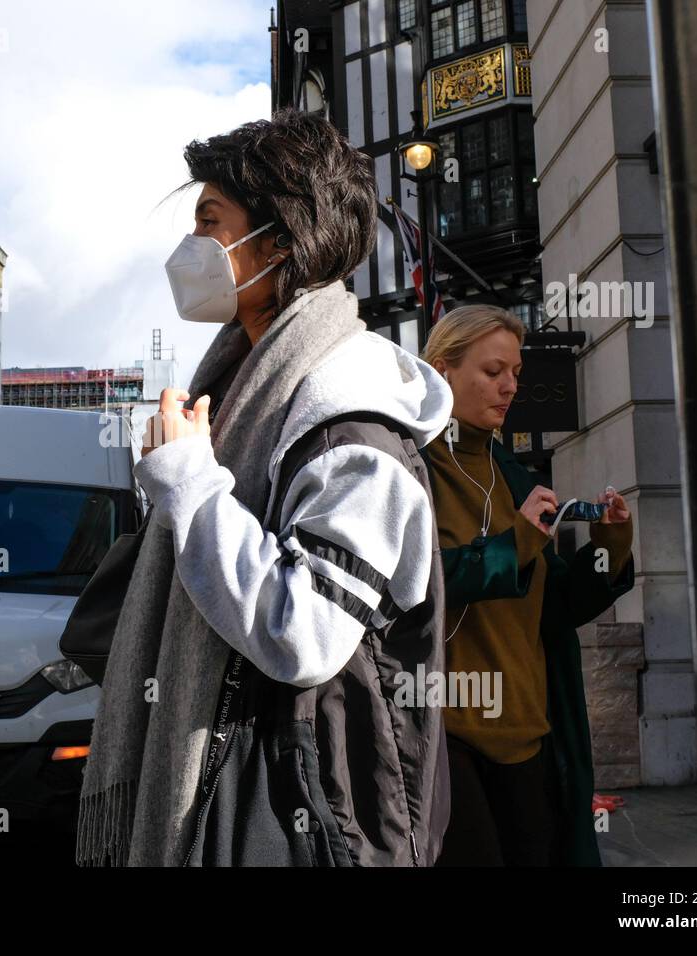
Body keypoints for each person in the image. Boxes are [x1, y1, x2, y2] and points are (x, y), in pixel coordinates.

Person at [75, 108, 453, 866]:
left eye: (209, 221)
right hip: (245, 800)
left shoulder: (352, 425)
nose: (190, 247)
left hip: (302, 817)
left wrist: (189, 478)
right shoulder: (245, 386)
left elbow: (301, 632)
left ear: (279, 239)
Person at [421, 304, 635, 866]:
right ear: (443, 370)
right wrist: (511, 545)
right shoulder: (407, 470)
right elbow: (410, 586)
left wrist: (609, 550)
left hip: (531, 733)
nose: (510, 386)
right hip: (445, 732)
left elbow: (556, 607)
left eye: (516, 373)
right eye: (494, 372)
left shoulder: (517, 478)